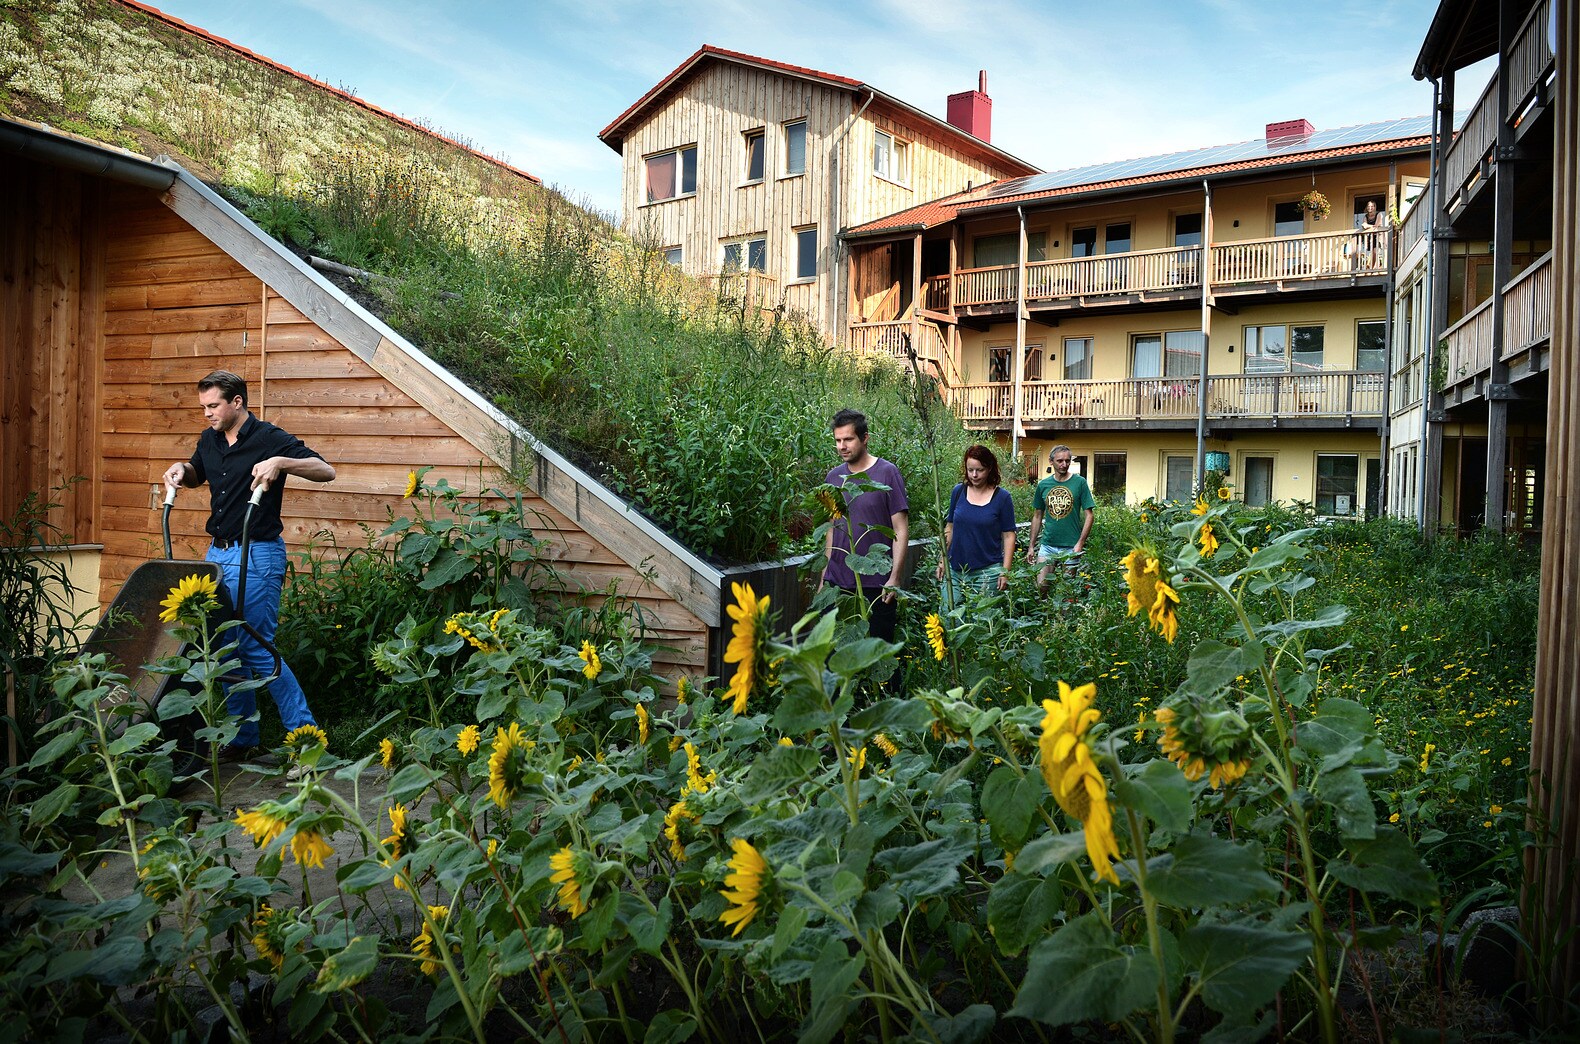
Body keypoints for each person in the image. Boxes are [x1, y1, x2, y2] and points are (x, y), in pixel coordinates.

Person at [163, 370, 335, 761]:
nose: (207, 413)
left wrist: (281, 462)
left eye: (213, 406)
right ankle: (243, 739)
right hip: (218, 556)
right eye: (203, 406)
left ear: (236, 402)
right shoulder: (209, 439)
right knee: (223, 648)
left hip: (256, 553)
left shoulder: (268, 438)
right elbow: (196, 474)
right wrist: (182, 470)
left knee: (257, 648)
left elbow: (326, 471)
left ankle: (308, 744)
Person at [818, 408, 909, 642]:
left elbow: (900, 528)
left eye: (848, 439)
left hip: (877, 582)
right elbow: (832, 529)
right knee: (835, 656)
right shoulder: (833, 478)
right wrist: (824, 579)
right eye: (838, 440)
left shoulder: (887, 473)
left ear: (865, 438)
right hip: (838, 582)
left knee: (878, 653)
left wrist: (895, 577)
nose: (842, 446)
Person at [935, 445, 1016, 608]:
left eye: (979, 470)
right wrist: (942, 559)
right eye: (970, 469)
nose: (974, 475)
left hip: (987, 573)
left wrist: (1005, 572)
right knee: (949, 617)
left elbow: (1009, 536)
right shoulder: (958, 492)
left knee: (982, 625)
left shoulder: (1003, 498)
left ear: (990, 468)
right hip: (955, 572)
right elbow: (950, 527)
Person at [1025, 445, 1095, 595]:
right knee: (1041, 587)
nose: (1064, 464)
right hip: (1048, 544)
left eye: (1067, 461)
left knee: (1067, 591)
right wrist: (1031, 546)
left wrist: (1080, 543)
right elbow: (1037, 515)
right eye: (1060, 461)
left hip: (1071, 546)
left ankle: (1064, 619)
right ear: (1051, 461)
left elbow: (1089, 515)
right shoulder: (1043, 485)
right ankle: (1046, 618)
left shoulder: (1079, 483)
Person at [1354, 199, 1389, 270]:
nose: (1370, 208)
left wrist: (1368, 226)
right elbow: (1364, 225)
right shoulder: (1366, 216)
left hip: (1378, 235)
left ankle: (1374, 267)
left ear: (1375, 207)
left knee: (1376, 251)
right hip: (1371, 236)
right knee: (1372, 252)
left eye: (1372, 206)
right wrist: (1368, 226)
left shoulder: (1379, 214)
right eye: (1369, 206)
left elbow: (1377, 225)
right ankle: (1372, 267)